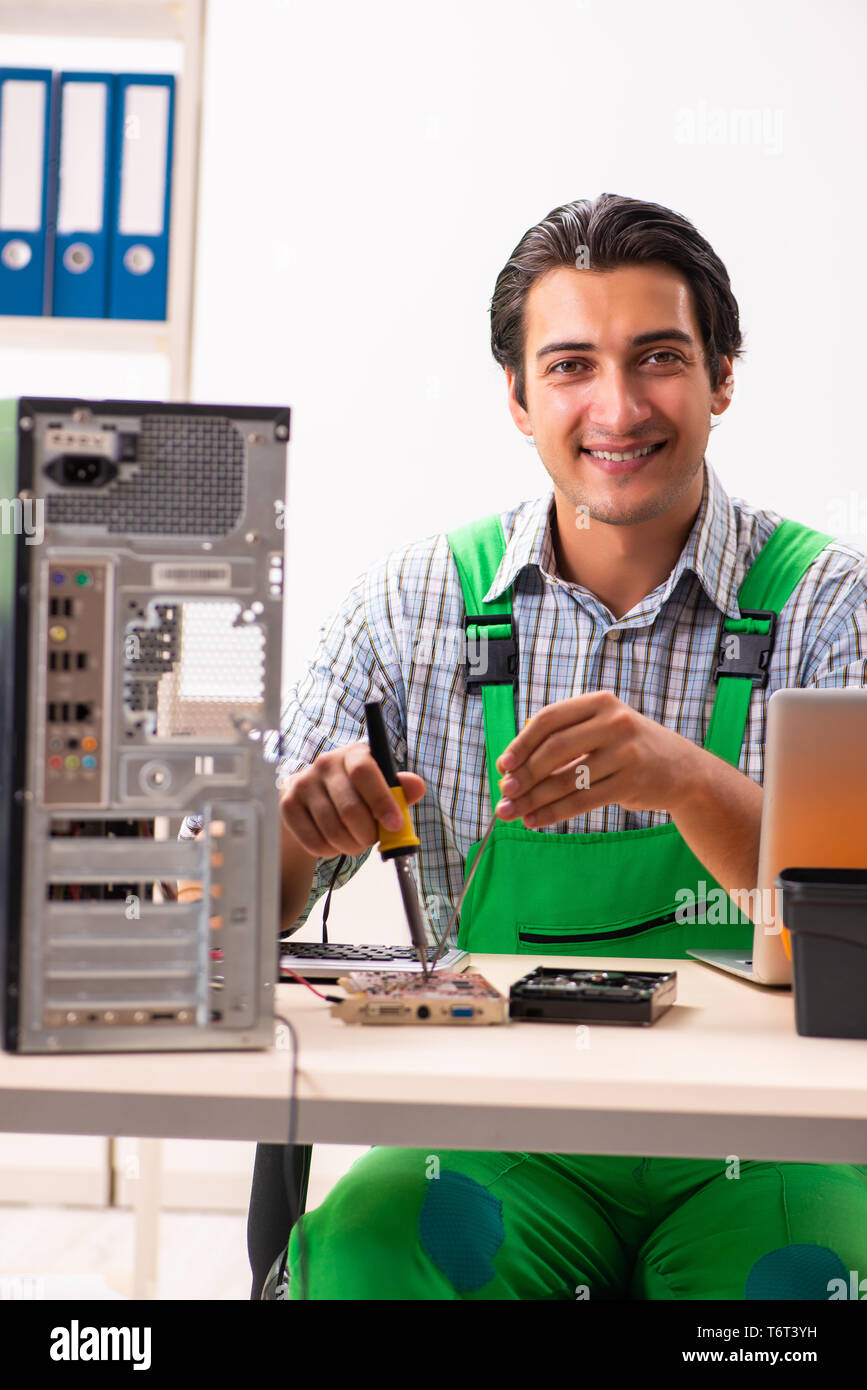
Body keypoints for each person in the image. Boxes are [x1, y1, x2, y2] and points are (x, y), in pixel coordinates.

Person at [273, 193, 867, 1299]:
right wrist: (298, 833)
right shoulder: (416, 606)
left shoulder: (831, 604)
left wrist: (690, 779)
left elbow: (861, 925)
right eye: (571, 366)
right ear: (516, 396)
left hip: (779, 1140)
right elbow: (241, 908)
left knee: (806, 1287)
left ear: (722, 377)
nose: (618, 406)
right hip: (499, 1133)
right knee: (367, 1256)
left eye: (658, 357)